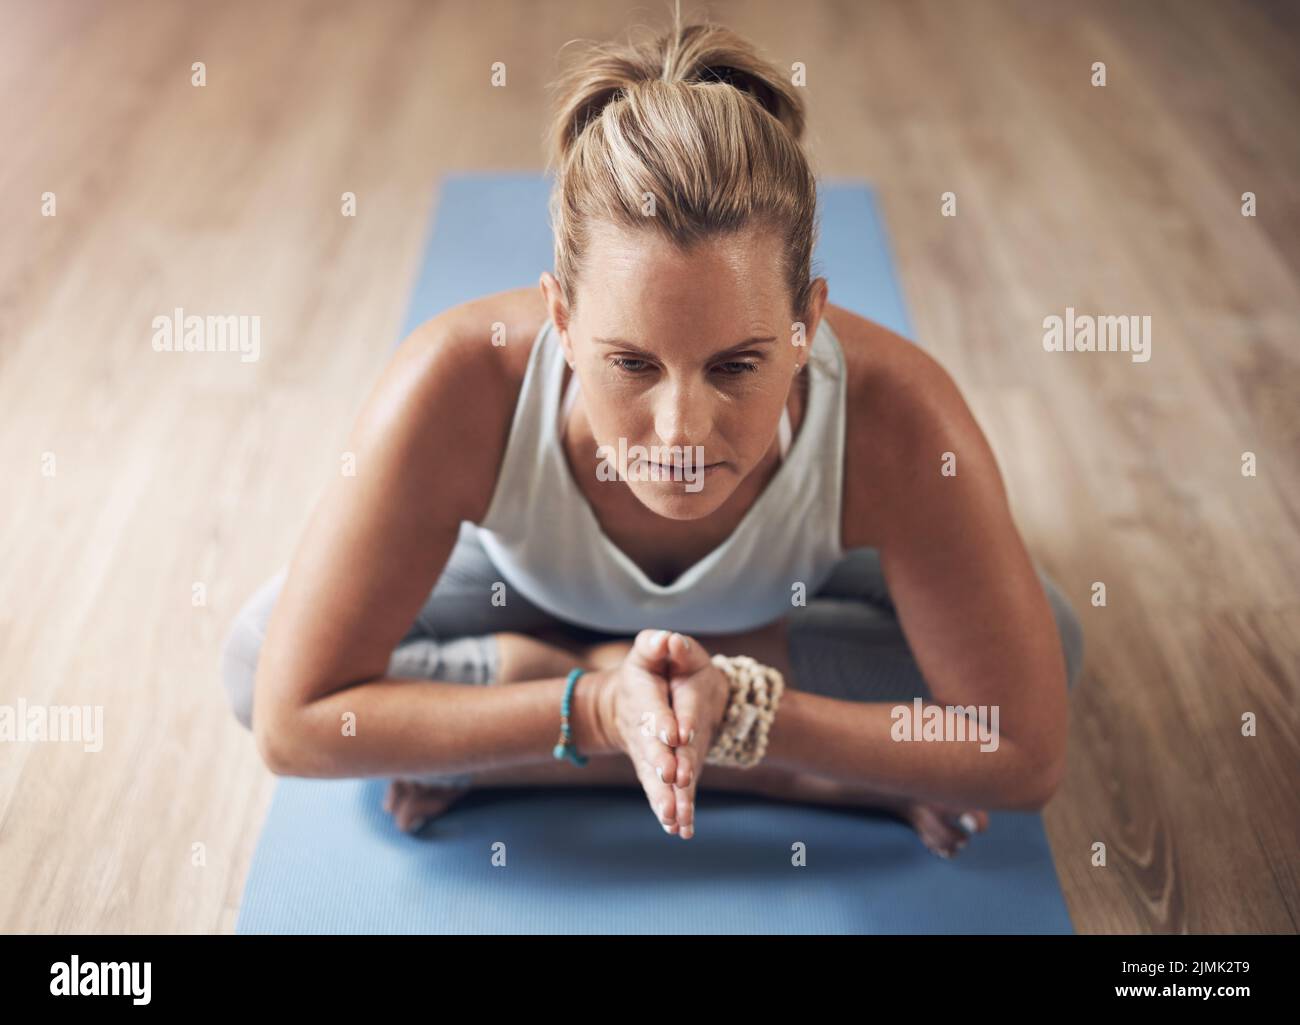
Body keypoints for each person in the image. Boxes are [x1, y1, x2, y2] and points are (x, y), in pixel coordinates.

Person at [220, 13, 1083, 859]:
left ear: (805, 327)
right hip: (527, 592)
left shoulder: (897, 412)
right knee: (260, 657)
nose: (681, 430)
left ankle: (561, 718)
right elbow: (296, 721)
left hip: (788, 599)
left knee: (1047, 644)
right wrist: (596, 707)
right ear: (560, 319)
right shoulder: (456, 382)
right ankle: (655, 710)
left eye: (738, 366)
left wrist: (744, 709)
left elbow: (1022, 751)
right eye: (631, 363)